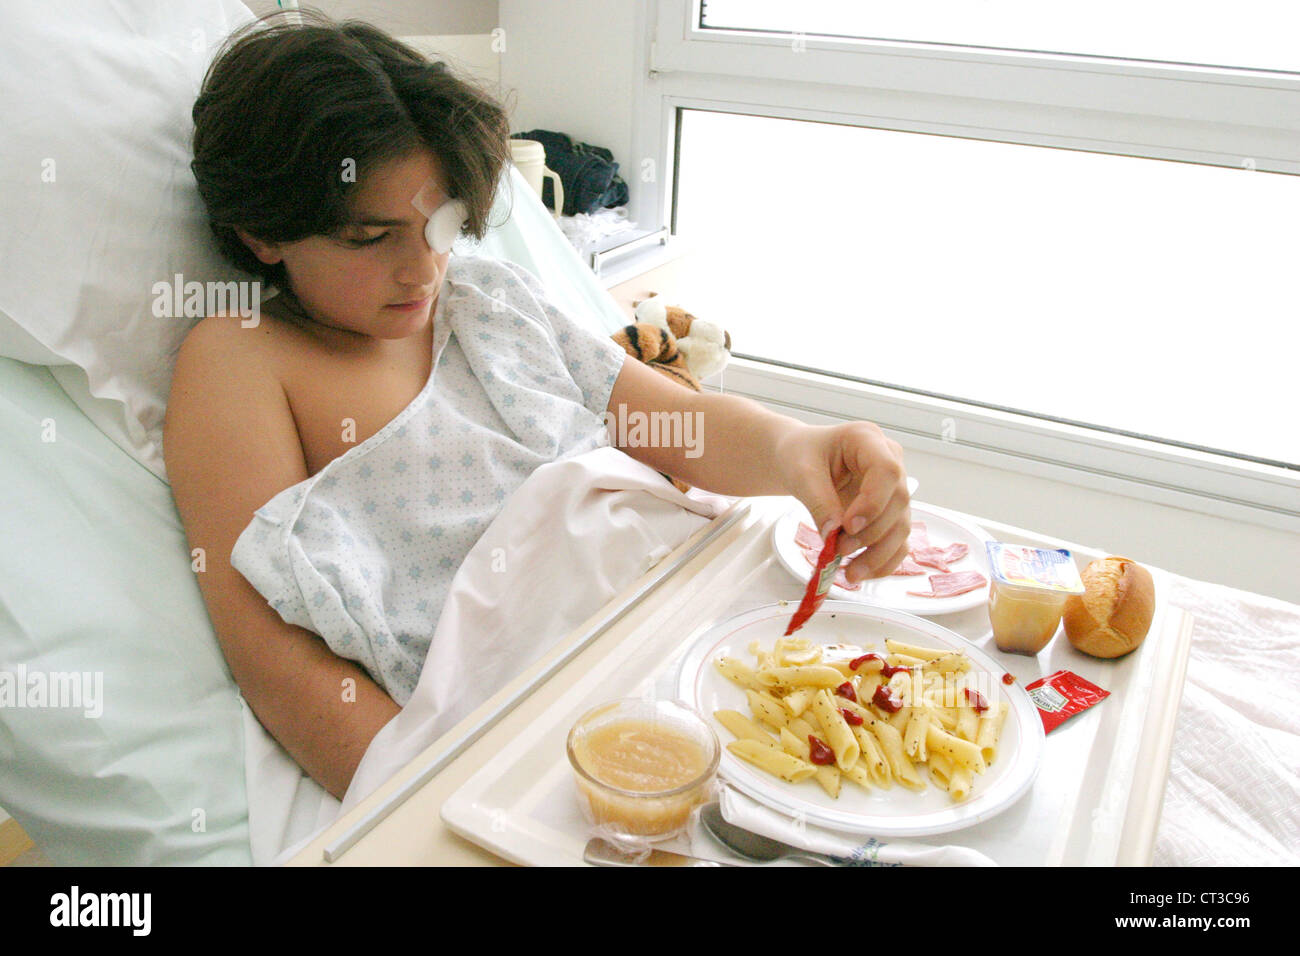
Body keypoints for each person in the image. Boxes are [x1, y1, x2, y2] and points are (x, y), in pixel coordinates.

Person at [164, 11, 911, 801]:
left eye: (442, 224)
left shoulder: (487, 300)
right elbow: (271, 655)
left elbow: (671, 425)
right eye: (370, 237)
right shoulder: (242, 358)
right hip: (534, 711)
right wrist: (413, 807)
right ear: (261, 233)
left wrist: (800, 448)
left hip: (679, 618)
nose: (422, 268)